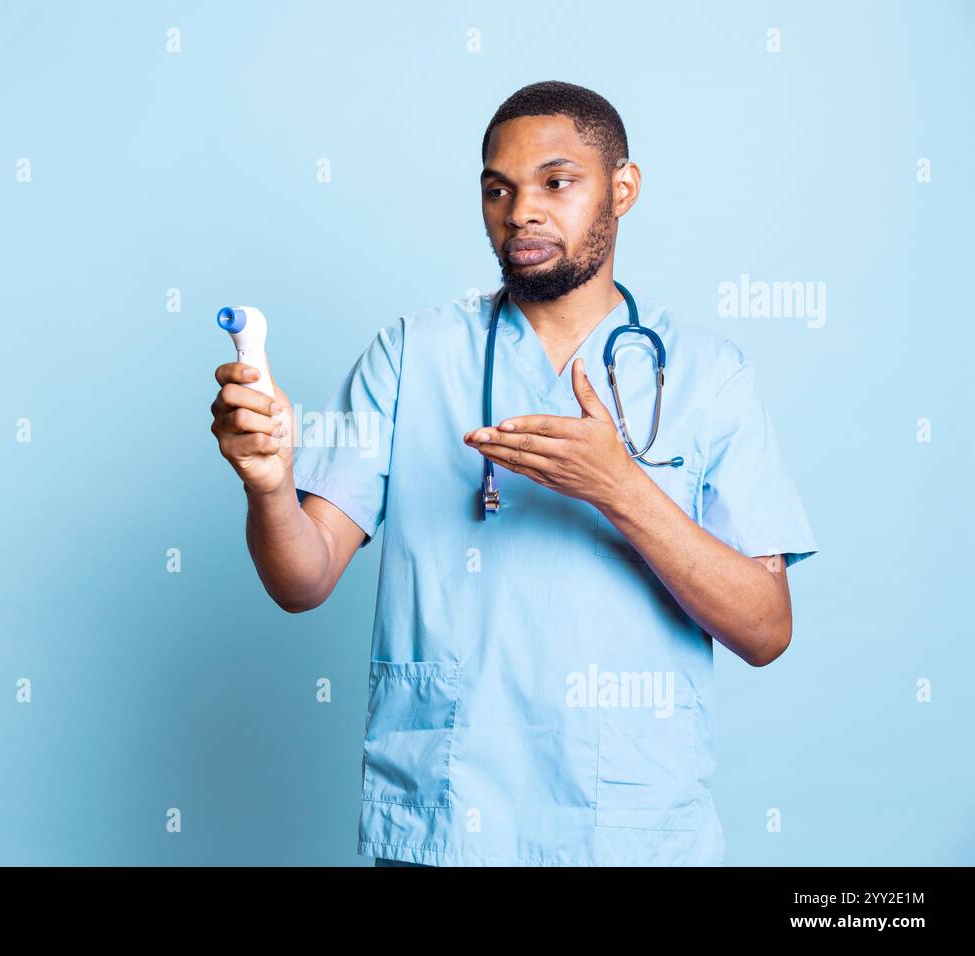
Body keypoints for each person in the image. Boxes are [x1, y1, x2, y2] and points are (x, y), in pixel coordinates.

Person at [208, 80, 817, 866]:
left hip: (631, 830)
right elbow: (302, 579)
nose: (522, 209)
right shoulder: (412, 356)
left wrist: (622, 489)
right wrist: (267, 486)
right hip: (447, 820)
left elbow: (765, 629)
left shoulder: (710, 376)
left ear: (622, 189)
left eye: (556, 182)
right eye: (499, 188)